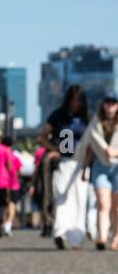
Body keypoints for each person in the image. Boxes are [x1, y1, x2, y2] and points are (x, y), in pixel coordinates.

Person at [45, 85, 90, 249]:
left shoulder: (86, 118)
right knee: (62, 197)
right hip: (64, 161)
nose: (75, 103)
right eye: (73, 99)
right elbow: (42, 137)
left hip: (82, 162)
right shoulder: (58, 116)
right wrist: (54, 149)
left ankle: (76, 236)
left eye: (78, 100)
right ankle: (60, 232)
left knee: (80, 199)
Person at [84, 91, 118, 251]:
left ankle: (116, 237)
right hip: (99, 165)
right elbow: (89, 147)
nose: (110, 106)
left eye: (113, 103)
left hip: (116, 165)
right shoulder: (94, 123)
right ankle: (102, 236)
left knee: (116, 206)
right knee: (103, 203)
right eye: (107, 102)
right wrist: (84, 167)